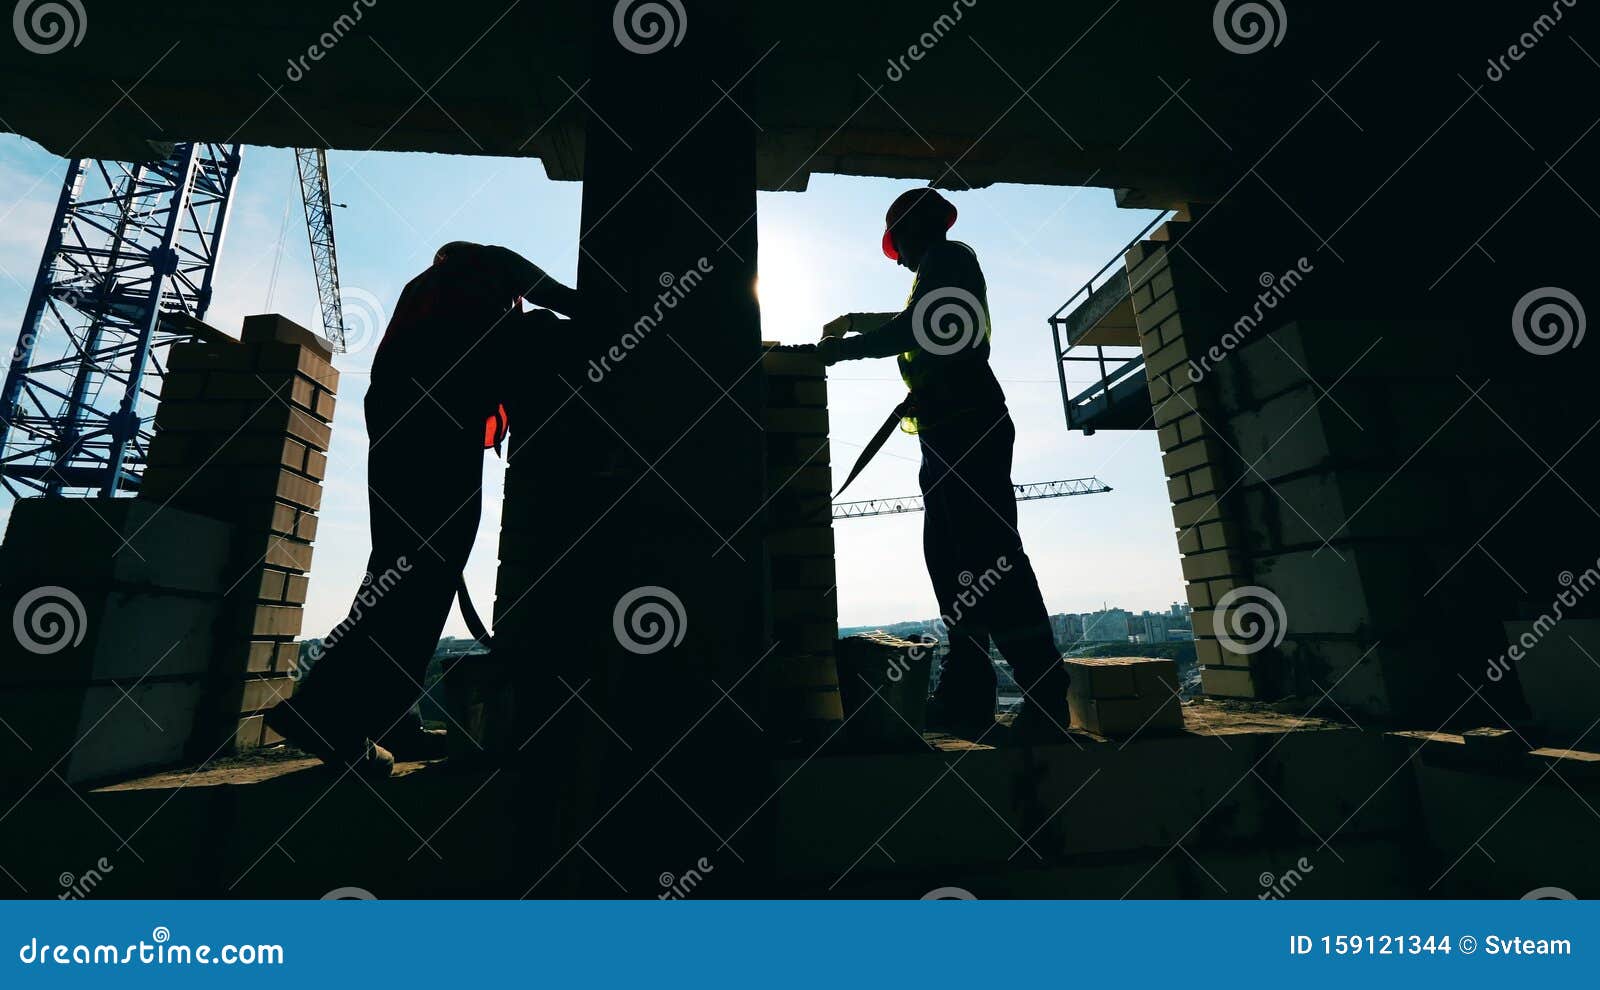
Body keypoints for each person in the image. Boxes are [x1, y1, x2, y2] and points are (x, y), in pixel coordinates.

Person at [266, 242, 583, 777]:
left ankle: (389, 719)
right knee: (422, 572)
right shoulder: (490, 264)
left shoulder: (426, 295)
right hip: (440, 425)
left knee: (397, 566)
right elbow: (569, 303)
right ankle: (324, 712)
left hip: (400, 425)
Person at [817, 188, 1069, 743]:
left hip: (969, 427)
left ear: (910, 232)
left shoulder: (952, 258)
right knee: (951, 563)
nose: (899, 259)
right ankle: (968, 695)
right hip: (943, 434)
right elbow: (912, 317)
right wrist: (856, 320)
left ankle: (1047, 696)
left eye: (897, 247)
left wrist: (835, 353)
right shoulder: (937, 268)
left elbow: (914, 327)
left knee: (990, 558)